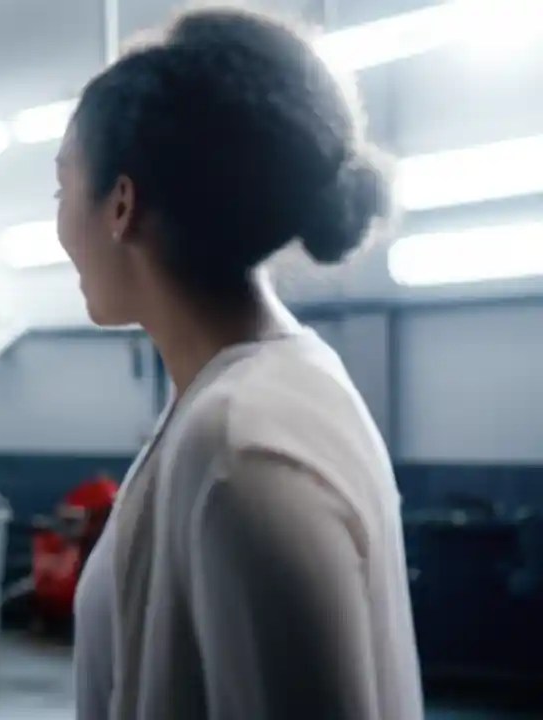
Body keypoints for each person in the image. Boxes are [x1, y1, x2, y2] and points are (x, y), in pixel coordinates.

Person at [60, 7, 424, 720]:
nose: (59, 223)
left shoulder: (242, 447)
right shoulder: (237, 399)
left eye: (62, 186)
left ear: (121, 205)